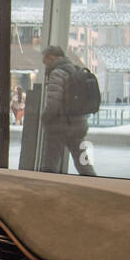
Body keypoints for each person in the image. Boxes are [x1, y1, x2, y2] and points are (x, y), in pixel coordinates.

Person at [38, 45, 97, 176]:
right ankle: (93, 183)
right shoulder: (76, 70)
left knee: (50, 162)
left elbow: (53, 102)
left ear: (51, 57)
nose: (45, 65)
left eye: (45, 61)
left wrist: (45, 118)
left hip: (61, 125)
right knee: (82, 160)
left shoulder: (57, 73)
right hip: (79, 122)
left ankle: (47, 188)